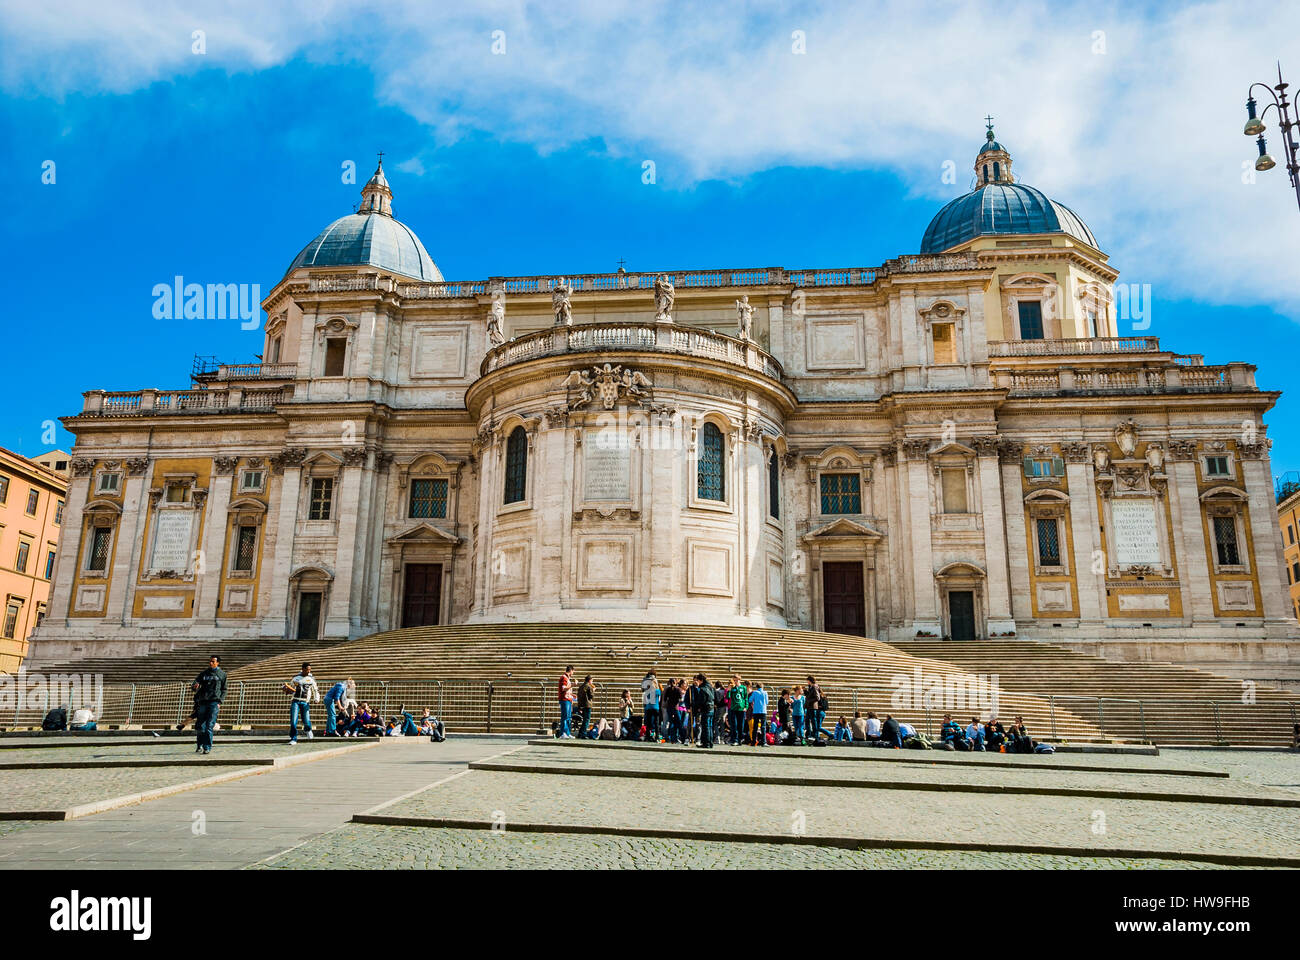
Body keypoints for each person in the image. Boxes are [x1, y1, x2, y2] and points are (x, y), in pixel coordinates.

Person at [191, 655, 227, 755]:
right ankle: (199, 745)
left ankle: (207, 747)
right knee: (200, 726)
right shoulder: (203, 673)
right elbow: (195, 683)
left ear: (217, 663)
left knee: (209, 726)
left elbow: (224, 689)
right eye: (210, 661)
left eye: (213, 662)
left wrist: (220, 701)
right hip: (203, 702)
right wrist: (195, 686)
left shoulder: (222, 674)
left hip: (214, 702)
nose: (211, 663)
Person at [286, 662, 319, 744]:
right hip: (295, 701)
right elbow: (290, 688)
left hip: (305, 702)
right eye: (307, 669)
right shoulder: (295, 678)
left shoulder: (311, 679)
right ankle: (293, 738)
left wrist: (316, 698)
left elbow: (315, 690)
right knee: (293, 721)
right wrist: (286, 689)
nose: (309, 671)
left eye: (310, 670)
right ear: (303, 669)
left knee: (306, 721)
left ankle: (308, 729)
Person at [692, 674, 714, 748]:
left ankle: (706, 743)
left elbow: (701, 701)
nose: (697, 682)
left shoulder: (702, 689)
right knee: (709, 726)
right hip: (711, 708)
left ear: (701, 680)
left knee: (706, 727)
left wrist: (697, 706)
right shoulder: (710, 686)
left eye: (698, 680)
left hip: (706, 709)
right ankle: (710, 743)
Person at [640, 671, 661, 742]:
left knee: (648, 723)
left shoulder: (648, 691)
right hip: (656, 707)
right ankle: (657, 737)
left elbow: (645, 698)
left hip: (648, 707)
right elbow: (659, 699)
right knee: (656, 723)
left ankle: (647, 736)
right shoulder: (657, 690)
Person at [727, 675, 748, 746]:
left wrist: (746, 707)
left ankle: (740, 739)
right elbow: (728, 697)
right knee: (734, 725)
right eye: (734, 680)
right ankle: (735, 740)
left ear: (739, 680)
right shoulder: (732, 688)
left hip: (741, 709)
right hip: (734, 708)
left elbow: (745, 698)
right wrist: (729, 690)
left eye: (736, 680)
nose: (735, 681)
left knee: (741, 725)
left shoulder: (743, 688)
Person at [557, 666, 576, 739]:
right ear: (571, 670)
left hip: (568, 699)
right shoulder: (564, 677)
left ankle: (567, 733)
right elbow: (564, 688)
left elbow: (566, 690)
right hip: (564, 699)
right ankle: (563, 733)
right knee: (565, 716)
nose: (573, 673)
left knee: (568, 717)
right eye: (573, 671)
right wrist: (573, 685)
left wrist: (572, 695)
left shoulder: (567, 678)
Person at [806, 675, 827, 742]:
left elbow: (817, 698)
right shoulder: (811, 687)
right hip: (809, 706)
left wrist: (809, 701)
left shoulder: (814, 687)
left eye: (807, 681)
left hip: (813, 707)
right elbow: (810, 695)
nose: (807, 682)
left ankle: (814, 735)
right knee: (807, 720)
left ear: (810, 681)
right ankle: (809, 734)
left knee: (813, 721)